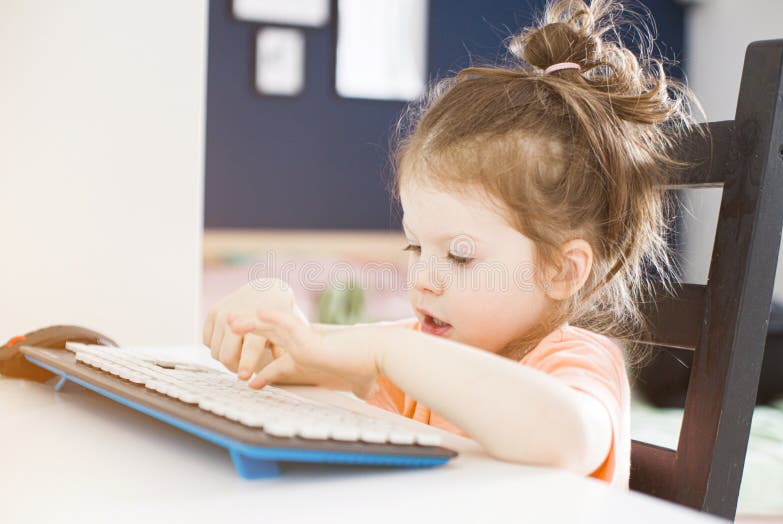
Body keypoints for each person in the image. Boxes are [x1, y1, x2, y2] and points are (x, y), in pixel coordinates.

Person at [202, 0, 704, 490]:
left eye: (460, 255)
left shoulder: (576, 361)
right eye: (416, 248)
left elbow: (568, 438)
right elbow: (295, 362)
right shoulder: (421, 352)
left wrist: (387, 350)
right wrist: (263, 326)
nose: (421, 277)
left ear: (561, 270)